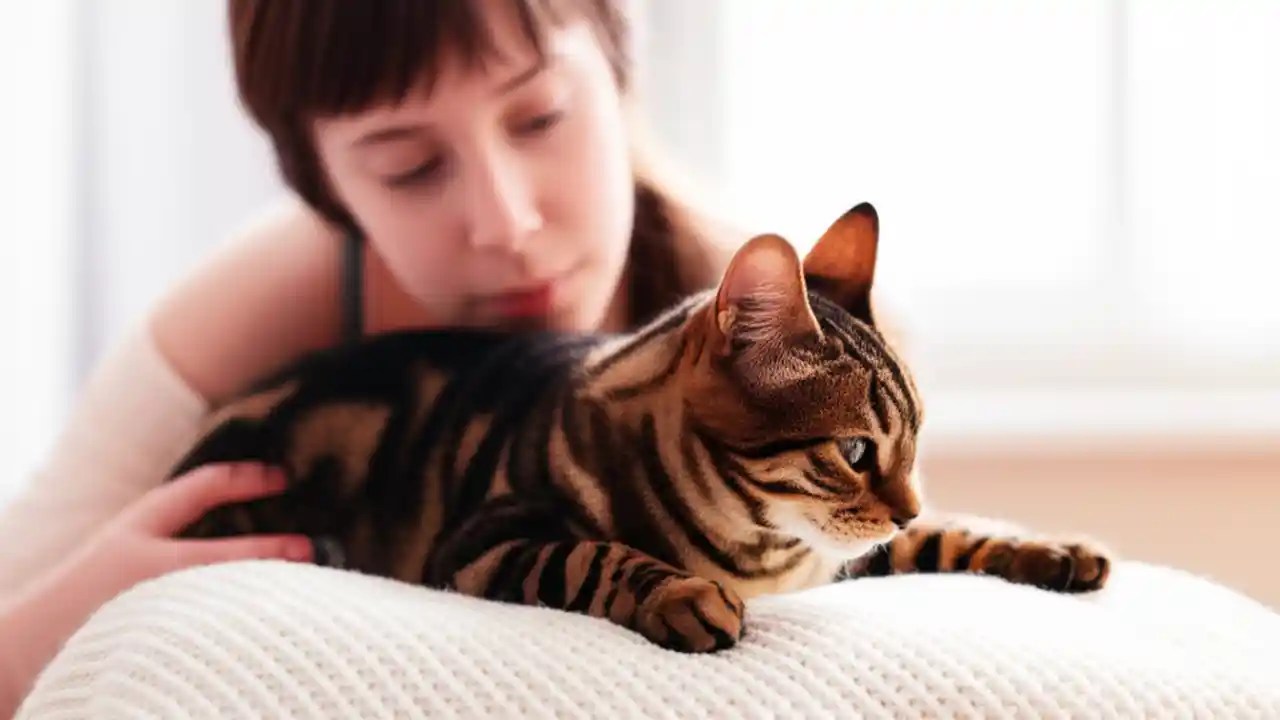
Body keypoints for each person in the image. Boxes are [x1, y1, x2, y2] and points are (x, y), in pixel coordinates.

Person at [0, 0, 741, 712]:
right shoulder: (265, 305)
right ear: (322, 187)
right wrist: (82, 602)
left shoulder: (763, 319)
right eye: (409, 167)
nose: (505, 221)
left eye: (541, 116)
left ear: (619, 63)